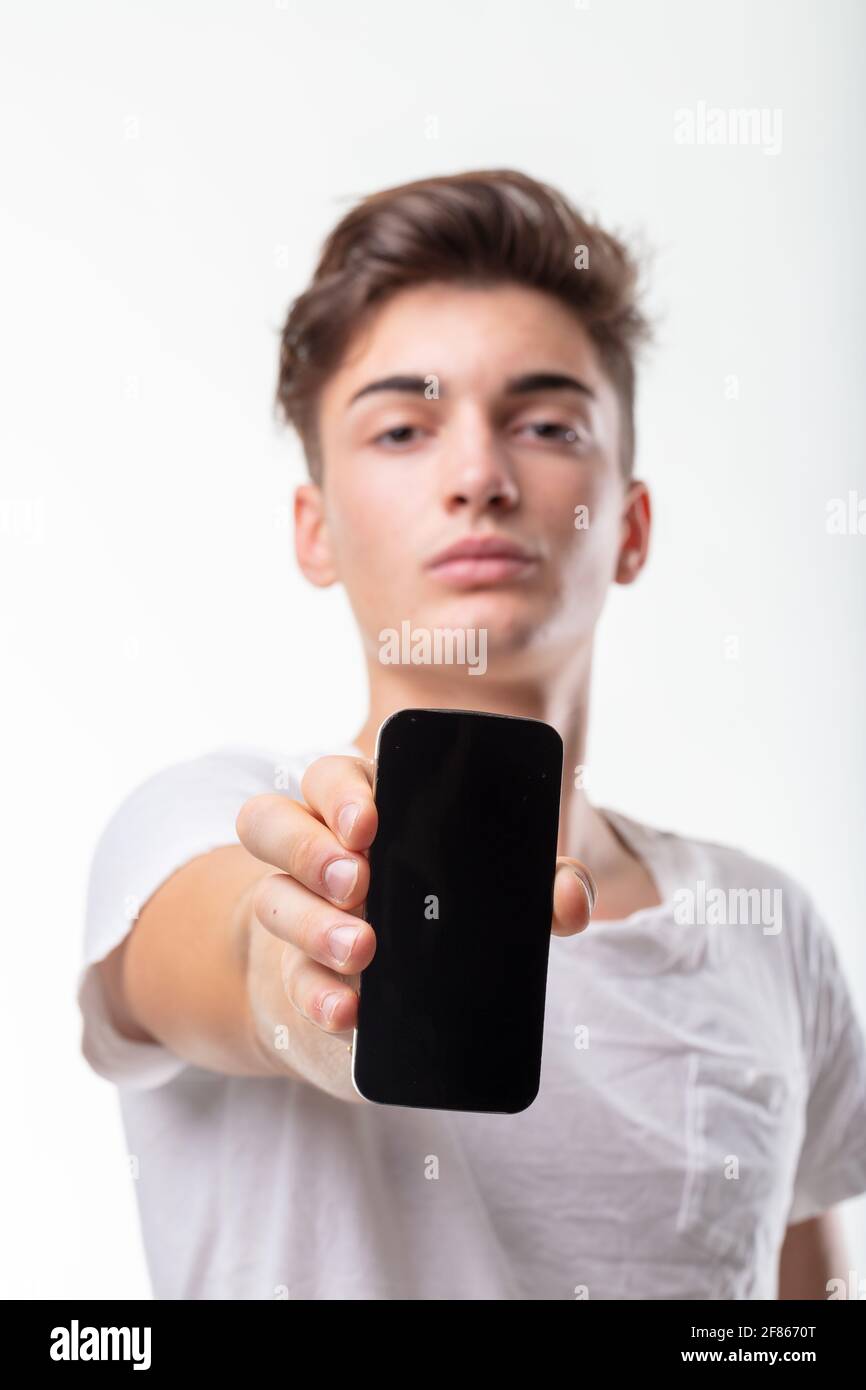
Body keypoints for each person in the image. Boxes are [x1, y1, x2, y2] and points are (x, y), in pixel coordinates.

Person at [78, 168, 866, 1300]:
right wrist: (306, 972)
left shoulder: (771, 935)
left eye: (545, 424)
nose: (479, 477)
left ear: (629, 525)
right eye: (402, 427)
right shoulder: (211, 826)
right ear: (315, 530)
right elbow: (241, 958)